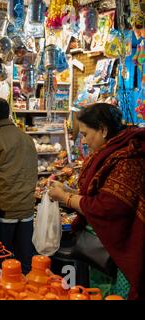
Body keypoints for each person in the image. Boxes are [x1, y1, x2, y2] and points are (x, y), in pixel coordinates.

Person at [49, 103, 145, 300]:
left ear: (102, 129)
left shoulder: (127, 158)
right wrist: (71, 191)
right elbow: (99, 194)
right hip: (104, 246)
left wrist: (66, 198)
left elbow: (107, 206)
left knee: (116, 295)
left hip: (122, 248)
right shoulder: (112, 152)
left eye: (85, 134)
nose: (83, 141)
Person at [0, 97, 38, 273]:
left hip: (4, 210)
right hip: (27, 209)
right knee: (24, 262)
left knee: (2, 263)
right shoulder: (26, 137)